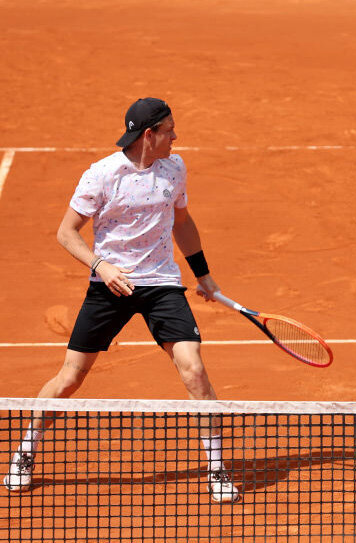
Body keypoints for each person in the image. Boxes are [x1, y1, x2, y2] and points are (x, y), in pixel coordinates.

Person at [3, 98, 240, 502]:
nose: (175, 137)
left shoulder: (175, 168)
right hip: (111, 285)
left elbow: (182, 222)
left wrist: (204, 276)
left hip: (162, 283)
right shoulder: (102, 175)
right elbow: (66, 232)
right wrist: (102, 265)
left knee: (195, 370)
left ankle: (217, 467)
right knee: (70, 378)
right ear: (149, 135)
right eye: (169, 130)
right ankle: (25, 451)